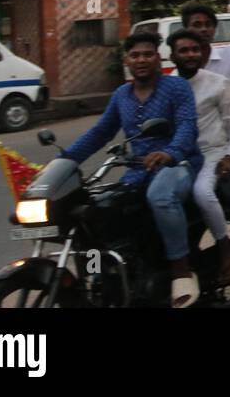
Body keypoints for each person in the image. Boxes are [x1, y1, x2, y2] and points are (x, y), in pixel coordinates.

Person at [62, 33, 204, 306]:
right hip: (139, 171)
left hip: (180, 163)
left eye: (148, 54)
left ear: (158, 58)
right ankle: (110, 274)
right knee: (98, 209)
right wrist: (65, 161)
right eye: (135, 55)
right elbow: (100, 132)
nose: (141, 60)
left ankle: (180, 269)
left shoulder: (176, 87)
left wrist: (169, 152)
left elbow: (188, 125)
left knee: (160, 196)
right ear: (126, 60)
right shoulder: (121, 95)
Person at [168, 30, 230, 286]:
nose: (190, 55)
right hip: (177, 157)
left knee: (203, 193)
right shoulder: (166, 85)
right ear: (172, 56)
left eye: (195, 50)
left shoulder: (217, 82)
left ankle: (225, 251)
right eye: (184, 50)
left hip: (211, 154)